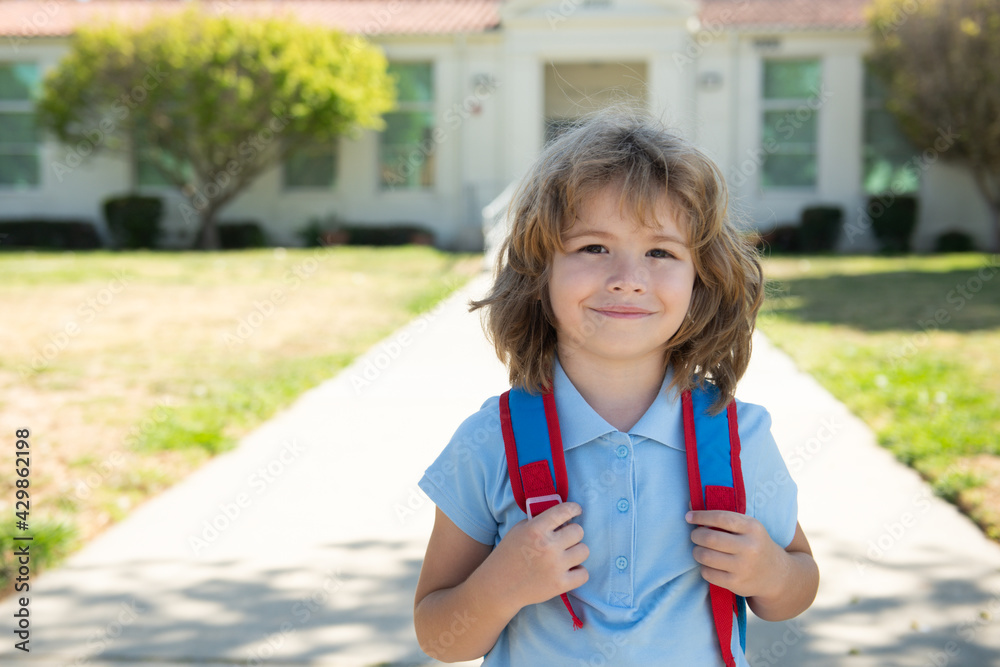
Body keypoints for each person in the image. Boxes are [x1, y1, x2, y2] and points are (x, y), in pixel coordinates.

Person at [412, 108, 819, 665]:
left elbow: (798, 582)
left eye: (661, 252)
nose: (628, 276)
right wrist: (499, 586)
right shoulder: (490, 443)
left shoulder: (738, 437)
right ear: (539, 274)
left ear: (701, 282)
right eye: (593, 248)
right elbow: (438, 635)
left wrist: (770, 571)